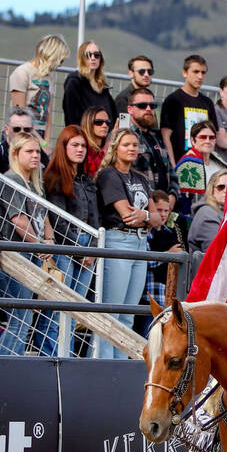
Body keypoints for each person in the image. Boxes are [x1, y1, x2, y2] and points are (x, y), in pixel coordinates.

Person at [96, 127, 160, 359]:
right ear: (115, 148)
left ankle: (120, 362)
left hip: (141, 243)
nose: (132, 149)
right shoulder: (109, 175)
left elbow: (157, 218)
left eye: (135, 145)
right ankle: (105, 363)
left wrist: (144, 217)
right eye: (126, 145)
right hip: (118, 240)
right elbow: (126, 215)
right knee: (112, 310)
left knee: (129, 312)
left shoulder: (140, 178)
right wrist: (146, 218)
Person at [0, 133, 56, 357]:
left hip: (32, 255)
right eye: (29, 151)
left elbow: (46, 218)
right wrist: (40, 244)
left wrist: (49, 240)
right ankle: (5, 368)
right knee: (20, 318)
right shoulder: (12, 179)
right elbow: (18, 220)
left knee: (24, 317)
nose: (35, 155)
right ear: (15, 154)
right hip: (14, 257)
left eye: (37, 151)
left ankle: (9, 366)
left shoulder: (35, 184)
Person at [41, 125, 100, 354]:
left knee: (74, 309)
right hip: (66, 246)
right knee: (57, 308)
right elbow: (58, 219)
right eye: (74, 145)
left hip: (87, 246)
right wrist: (79, 249)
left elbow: (96, 217)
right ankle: (53, 356)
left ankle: (67, 355)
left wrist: (92, 249)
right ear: (63, 146)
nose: (80, 149)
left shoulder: (86, 180)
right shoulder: (54, 177)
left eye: (83, 146)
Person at [9, 34, 69, 147]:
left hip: (41, 132)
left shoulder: (49, 77)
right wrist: (40, 142)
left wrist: (46, 140)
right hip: (22, 132)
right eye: (59, 61)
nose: (60, 66)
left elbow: (48, 111)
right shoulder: (22, 73)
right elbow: (19, 112)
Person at [125, 88, 179, 211]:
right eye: (142, 106)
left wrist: (172, 196)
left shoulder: (158, 137)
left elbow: (171, 172)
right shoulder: (123, 136)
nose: (149, 109)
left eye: (152, 105)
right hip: (139, 208)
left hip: (163, 211)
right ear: (130, 109)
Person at [159, 54, 217, 165]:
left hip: (204, 164)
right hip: (181, 162)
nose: (200, 76)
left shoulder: (208, 102)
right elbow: (165, 136)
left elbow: (214, 135)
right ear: (184, 73)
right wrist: (173, 165)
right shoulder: (173, 100)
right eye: (196, 72)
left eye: (203, 72)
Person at [142, 189, 183, 316]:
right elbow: (145, 261)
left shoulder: (170, 232)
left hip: (167, 295)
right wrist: (168, 254)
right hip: (149, 295)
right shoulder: (145, 234)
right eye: (159, 210)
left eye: (167, 210)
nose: (164, 214)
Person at [175, 120, 227, 219]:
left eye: (211, 137)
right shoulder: (188, 164)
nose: (207, 141)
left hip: (222, 214)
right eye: (203, 137)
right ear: (193, 140)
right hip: (202, 216)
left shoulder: (219, 161)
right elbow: (187, 202)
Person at [62, 40, 117, 129]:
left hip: (104, 136)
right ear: (81, 58)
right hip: (83, 135)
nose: (93, 58)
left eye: (96, 55)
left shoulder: (103, 86)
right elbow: (70, 115)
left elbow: (113, 113)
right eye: (88, 55)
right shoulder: (74, 81)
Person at [187, 170, 227, 269]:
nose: (226, 190)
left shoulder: (223, 212)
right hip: (210, 277)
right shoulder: (207, 214)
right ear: (211, 189)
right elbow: (216, 255)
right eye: (221, 187)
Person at [80, 106, 112, 177]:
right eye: (98, 122)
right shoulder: (82, 147)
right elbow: (92, 172)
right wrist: (107, 146)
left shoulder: (104, 146)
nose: (104, 125)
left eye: (107, 122)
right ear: (88, 123)